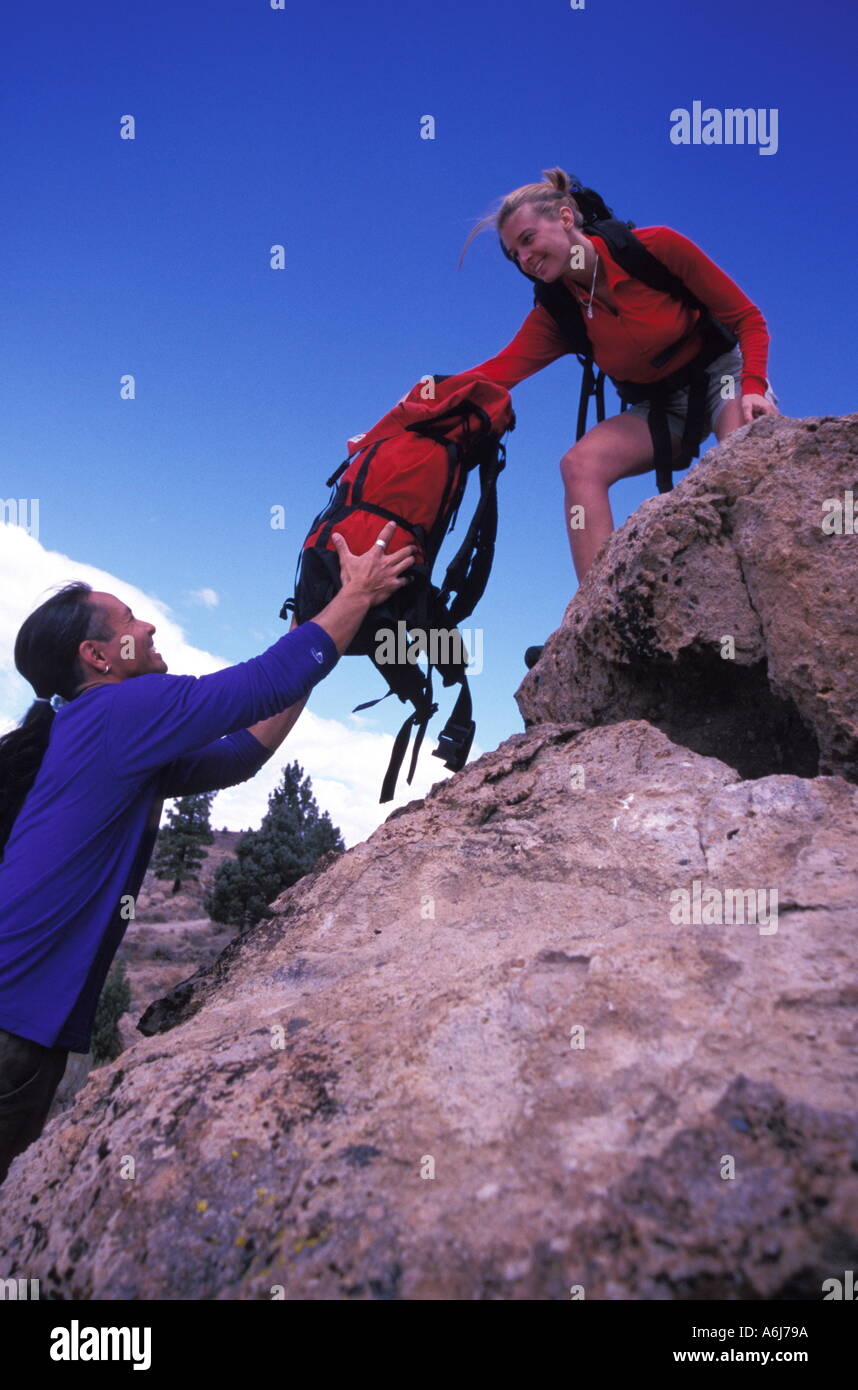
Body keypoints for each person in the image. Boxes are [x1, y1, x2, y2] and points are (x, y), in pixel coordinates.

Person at [0, 521, 414, 1185]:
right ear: (97, 657)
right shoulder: (119, 713)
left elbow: (242, 752)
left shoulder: (102, 737)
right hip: (11, 1023)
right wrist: (355, 596)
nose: (149, 626)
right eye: (130, 620)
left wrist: (321, 627)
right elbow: (258, 685)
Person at [457, 168, 779, 663]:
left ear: (566, 218)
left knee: (739, 453)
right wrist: (399, 417)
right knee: (578, 465)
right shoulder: (559, 312)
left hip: (722, 378)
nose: (523, 258)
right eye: (513, 254)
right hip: (660, 409)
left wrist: (754, 387)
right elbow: (493, 374)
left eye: (527, 239)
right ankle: (598, 616)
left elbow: (748, 319)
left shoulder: (655, 248)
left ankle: (765, 597)